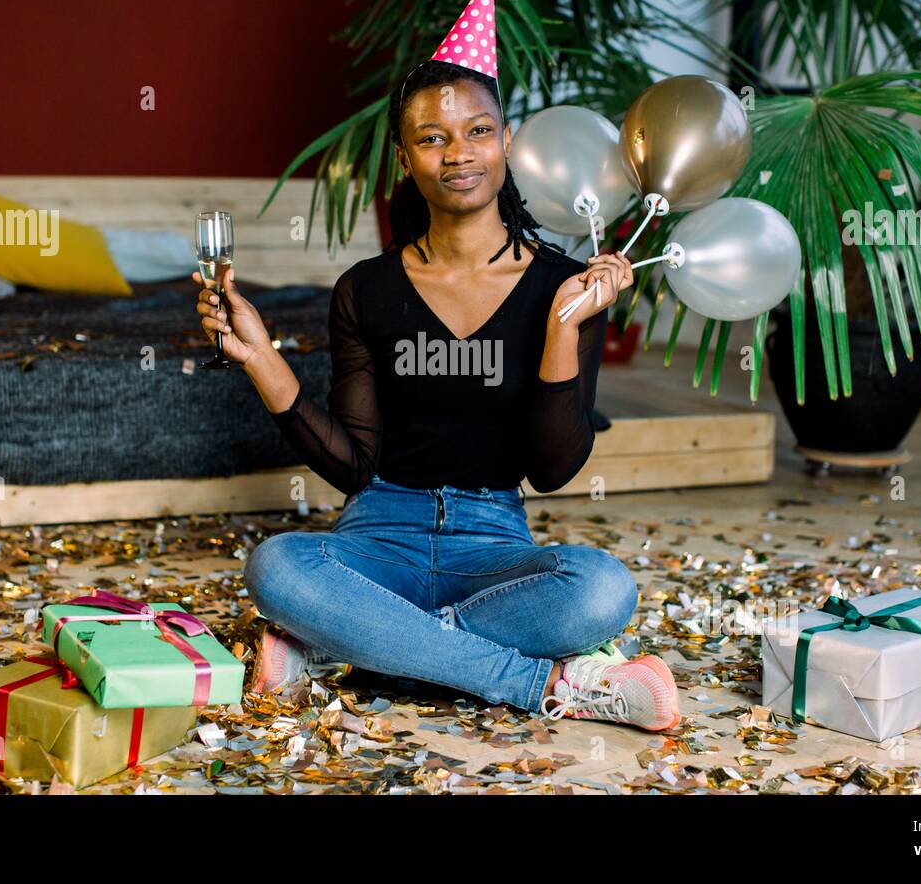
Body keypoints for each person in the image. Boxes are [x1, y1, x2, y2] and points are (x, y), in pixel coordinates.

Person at [192, 58, 680, 731]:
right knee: (276, 567)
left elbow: (552, 468)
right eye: (432, 138)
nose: (458, 154)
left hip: (493, 545)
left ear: (507, 141)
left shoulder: (567, 287)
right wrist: (258, 359)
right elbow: (352, 465)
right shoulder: (364, 289)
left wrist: (565, 326)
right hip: (375, 535)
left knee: (601, 589)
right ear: (404, 156)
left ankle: (348, 644)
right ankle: (544, 683)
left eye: (477, 130)